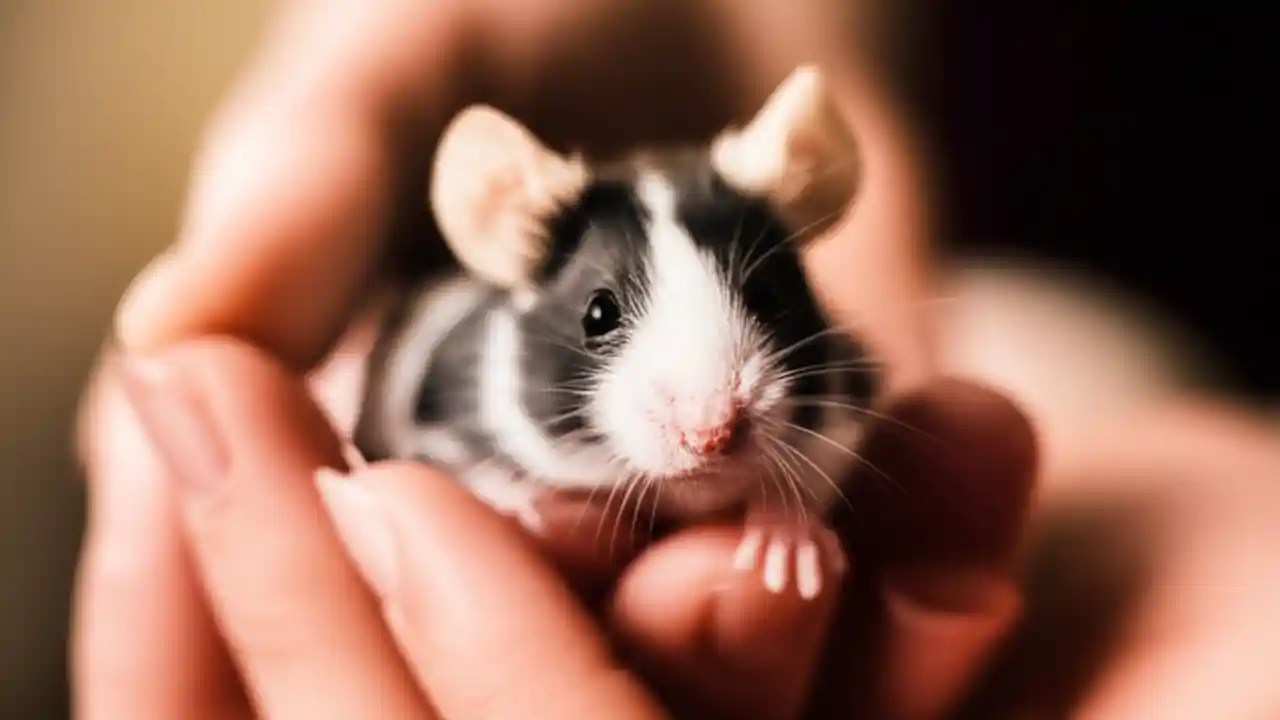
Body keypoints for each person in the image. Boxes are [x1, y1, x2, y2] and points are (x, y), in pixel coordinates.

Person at [71, 1, 1280, 718]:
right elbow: (419, 447)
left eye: (757, 299)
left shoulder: (830, 370)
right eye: (603, 323)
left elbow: (854, 393)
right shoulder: (468, 368)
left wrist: (797, 498)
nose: (710, 419)